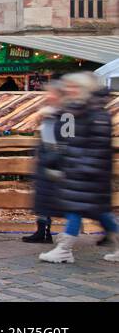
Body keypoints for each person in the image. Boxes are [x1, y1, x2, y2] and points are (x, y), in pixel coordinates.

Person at [39, 73, 119, 263]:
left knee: (75, 210)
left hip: (89, 173)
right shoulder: (77, 110)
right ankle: (64, 249)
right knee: (99, 213)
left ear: (84, 89)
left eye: (73, 87)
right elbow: (68, 137)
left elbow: (97, 147)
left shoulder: (97, 114)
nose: (69, 90)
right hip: (78, 171)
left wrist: (77, 165)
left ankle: (64, 249)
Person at [23, 79, 67, 245]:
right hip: (46, 163)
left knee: (67, 204)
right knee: (43, 200)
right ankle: (42, 231)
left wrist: (52, 158)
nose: (47, 95)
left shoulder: (65, 114)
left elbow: (64, 141)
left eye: (51, 93)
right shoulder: (50, 113)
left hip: (56, 164)